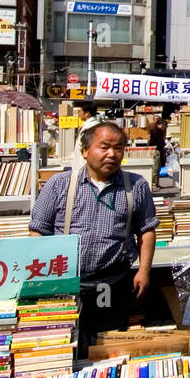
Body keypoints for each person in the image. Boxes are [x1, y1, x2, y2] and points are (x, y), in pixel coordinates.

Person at [30, 121, 158, 350]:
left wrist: (144, 270)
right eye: (104, 147)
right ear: (85, 151)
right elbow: (39, 230)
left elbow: (147, 229)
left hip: (110, 281)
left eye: (118, 148)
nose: (112, 154)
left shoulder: (136, 186)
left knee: (106, 345)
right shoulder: (59, 185)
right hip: (67, 282)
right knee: (63, 344)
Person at [147, 112, 168, 188]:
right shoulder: (156, 131)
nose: (164, 128)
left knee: (157, 168)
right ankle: (153, 184)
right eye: (164, 126)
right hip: (156, 151)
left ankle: (156, 183)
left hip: (157, 150)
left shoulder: (156, 130)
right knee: (155, 168)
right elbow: (157, 142)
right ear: (161, 124)